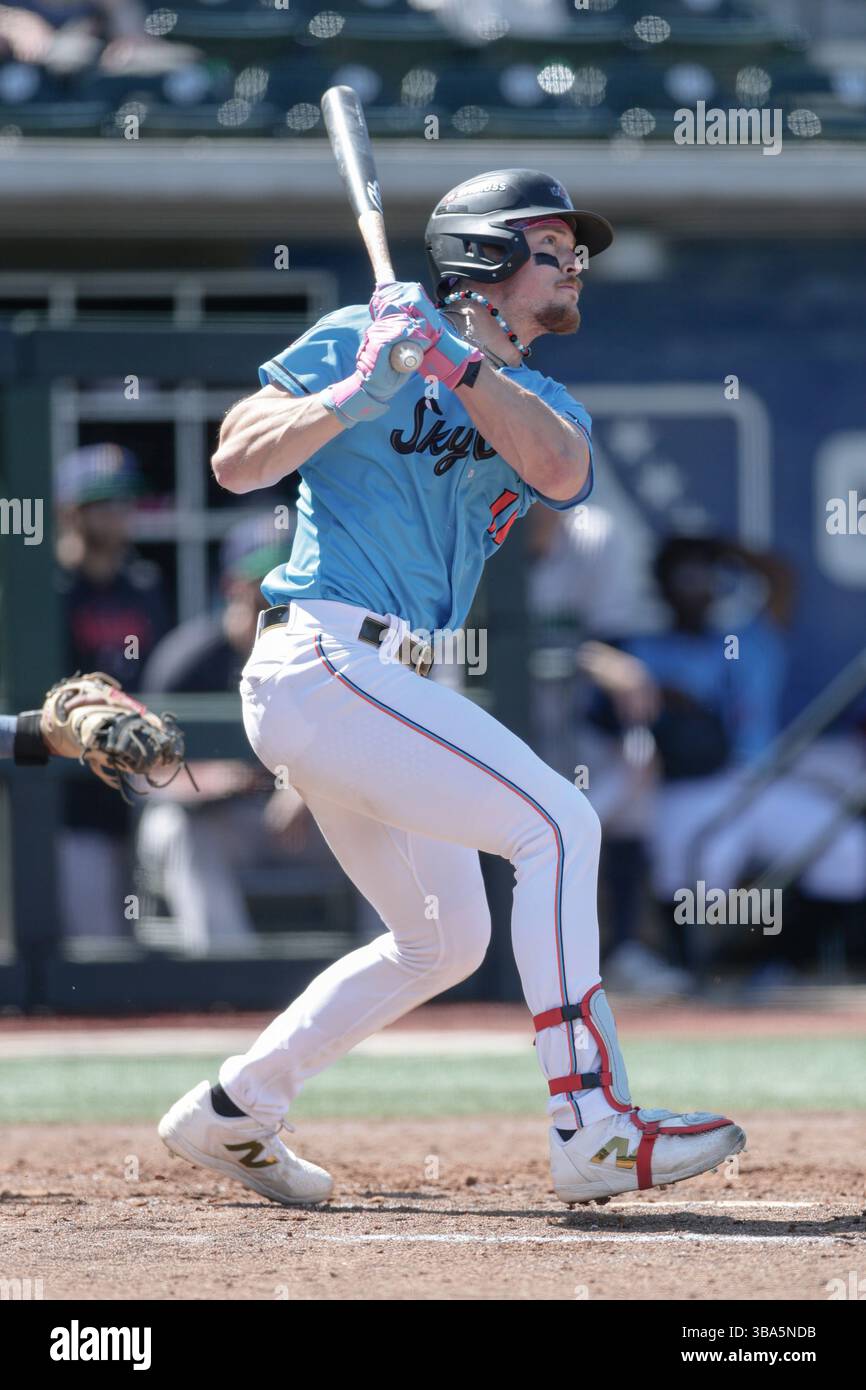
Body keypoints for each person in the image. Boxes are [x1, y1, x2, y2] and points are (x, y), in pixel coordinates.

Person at [158, 169, 745, 1208]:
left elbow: (558, 470)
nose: (574, 267)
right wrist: (357, 392)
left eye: (575, 252)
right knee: (557, 825)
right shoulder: (355, 337)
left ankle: (236, 1104)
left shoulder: (538, 398)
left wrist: (452, 363)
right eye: (553, 247)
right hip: (325, 653)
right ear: (485, 256)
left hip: (381, 681)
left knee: (442, 937)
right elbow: (236, 462)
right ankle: (590, 1122)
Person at [135, 513, 333, 954]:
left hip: (306, 820)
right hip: (224, 822)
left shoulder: (322, 654)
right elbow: (143, 772)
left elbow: (361, 741)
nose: (282, 601)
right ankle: (228, 976)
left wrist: (307, 789)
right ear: (232, 588)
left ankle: (403, 970)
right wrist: (211, 779)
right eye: (266, 587)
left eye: (294, 588)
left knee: (384, 817)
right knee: (175, 828)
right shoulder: (187, 660)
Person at [55, 443, 170, 939]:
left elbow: (159, 679)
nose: (119, 514)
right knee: (94, 940)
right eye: (105, 503)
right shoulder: (48, 587)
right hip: (68, 797)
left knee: (148, 934)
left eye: (124, 502)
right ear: (72, 512)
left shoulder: (143, 585)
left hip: (136, 783)